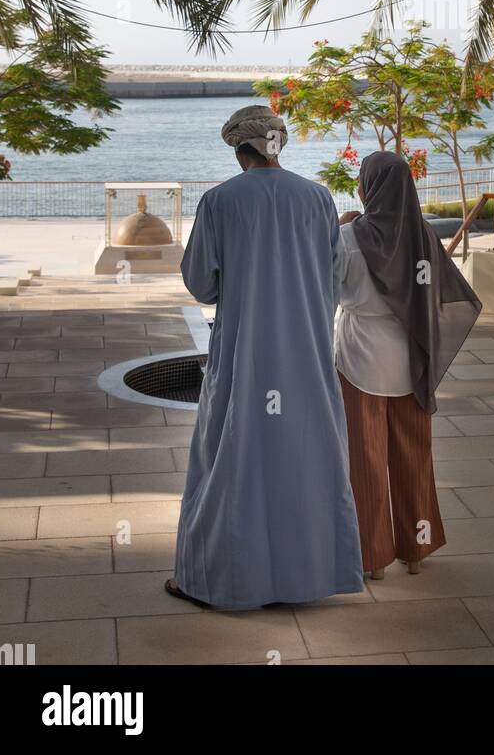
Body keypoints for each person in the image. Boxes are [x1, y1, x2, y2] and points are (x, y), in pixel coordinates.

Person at [167, 104, 362, 610]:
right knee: (305, 456)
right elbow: (334, 274)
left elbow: (201, 284)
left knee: (232, 457)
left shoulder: (219, 201)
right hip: (307, 351)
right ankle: (309, 575)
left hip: (244, 352)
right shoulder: (319, 198)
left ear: (239, 150)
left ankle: (225, 580)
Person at [335, 150, 482, 579]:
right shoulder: (424, 237)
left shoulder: (348, 239)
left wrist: (341, 227)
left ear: (369, 188)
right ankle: (414, 552)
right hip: (411, 356)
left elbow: (327, 292)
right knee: (413, 454)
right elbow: (438, 297)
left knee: (364, 457)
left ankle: (372, 556)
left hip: (360, 356)